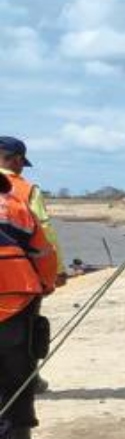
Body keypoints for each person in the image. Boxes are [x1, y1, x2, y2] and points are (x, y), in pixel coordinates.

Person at [0, 171, 58, 439]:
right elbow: (44, 253)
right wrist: (46, 284)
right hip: (17, 298)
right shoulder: (16, 206)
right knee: (18, 375)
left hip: (16, 298)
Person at [1, 136, 64, 397]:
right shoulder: (26, 190)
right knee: (24, 335)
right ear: (16, 160)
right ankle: (28, 380)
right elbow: (44, 235)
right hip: (21, 277)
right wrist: (54, 273)